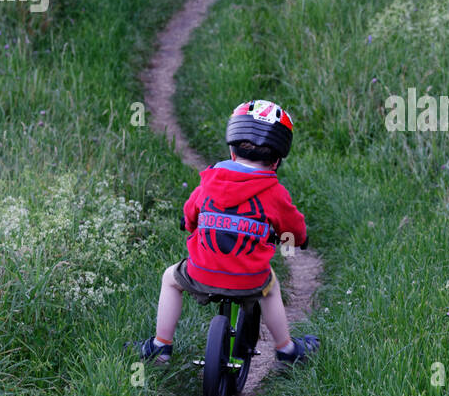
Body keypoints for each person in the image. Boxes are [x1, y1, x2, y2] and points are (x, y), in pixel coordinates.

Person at [132, 99, 319, 365]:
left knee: (170, 279)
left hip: (200, 273)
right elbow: (293, 227)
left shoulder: (210, 180)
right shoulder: (275, 192)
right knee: (271, 287)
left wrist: (189, 224)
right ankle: (286, 349)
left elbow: (190, 212)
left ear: (232, 152)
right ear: (276, 161)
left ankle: (161, 346)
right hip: (249, 279)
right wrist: (300, 239)